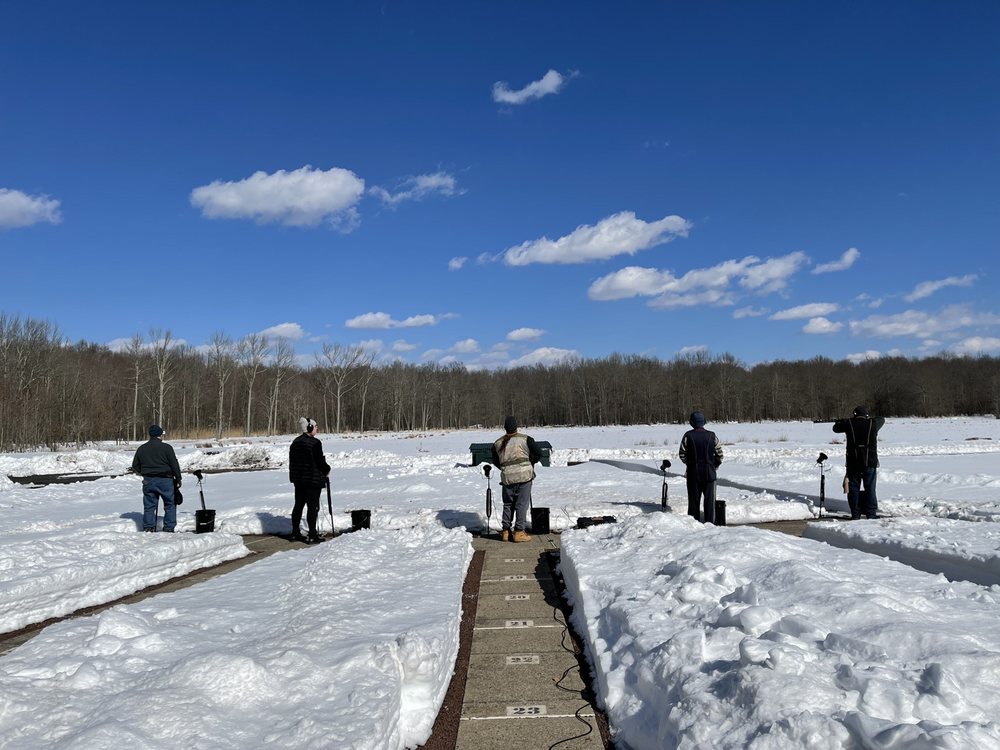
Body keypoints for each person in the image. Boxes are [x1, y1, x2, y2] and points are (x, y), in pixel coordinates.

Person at [491, 416, 542, 542]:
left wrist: (506, 469)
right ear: (516, 427)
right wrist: (531, 462)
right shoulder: (526, 439)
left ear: (505, 428)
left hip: (507, 478)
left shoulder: (497, 443)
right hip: (524, 476)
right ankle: (519, 532)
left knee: (508, 504)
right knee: (521, 504)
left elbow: (496, 461)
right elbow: (539, 453)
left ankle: (505, 531)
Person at [833, 406, 885, 519]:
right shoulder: (873, 423)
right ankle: (871, 514)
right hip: (870, 461)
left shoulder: (849, 423)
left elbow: (835, 428)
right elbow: (882, 419)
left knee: (853, 488)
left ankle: (855, 514)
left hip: (853, 462)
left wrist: (843, 421)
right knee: (870, 488)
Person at [132, 424, 182, 532]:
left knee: (149, 505)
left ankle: (148, 528)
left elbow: (135, 466)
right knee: (170, 504)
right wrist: (178, 478)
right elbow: (174, 464)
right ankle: (169, 528)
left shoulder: (141, 449)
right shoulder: (167, 448)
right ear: (160, 435)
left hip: (148, 480)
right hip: (166, 480)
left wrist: (144, 473)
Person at [288, 417, 331, 543]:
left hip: (299, 481)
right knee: (313, 507)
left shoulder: (295, 442)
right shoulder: (315, 443)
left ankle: (295, 533)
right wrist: (327, 469)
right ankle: (312, 535)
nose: (317, 428)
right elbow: (320, 462)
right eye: (315, 426)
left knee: (298, 505)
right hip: (312, 480)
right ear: (309, 427)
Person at [678, 411, 724, 524]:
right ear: (703, 422)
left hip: (693, 474)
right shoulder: (712, 435)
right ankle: (710, 524)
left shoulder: (688, 435)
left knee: (693, 502)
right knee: (710, 502)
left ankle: (694, 524)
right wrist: (714, 465)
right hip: (710, 474)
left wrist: (689, 464)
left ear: (692, 422)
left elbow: (682, 454)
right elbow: (720, 454)